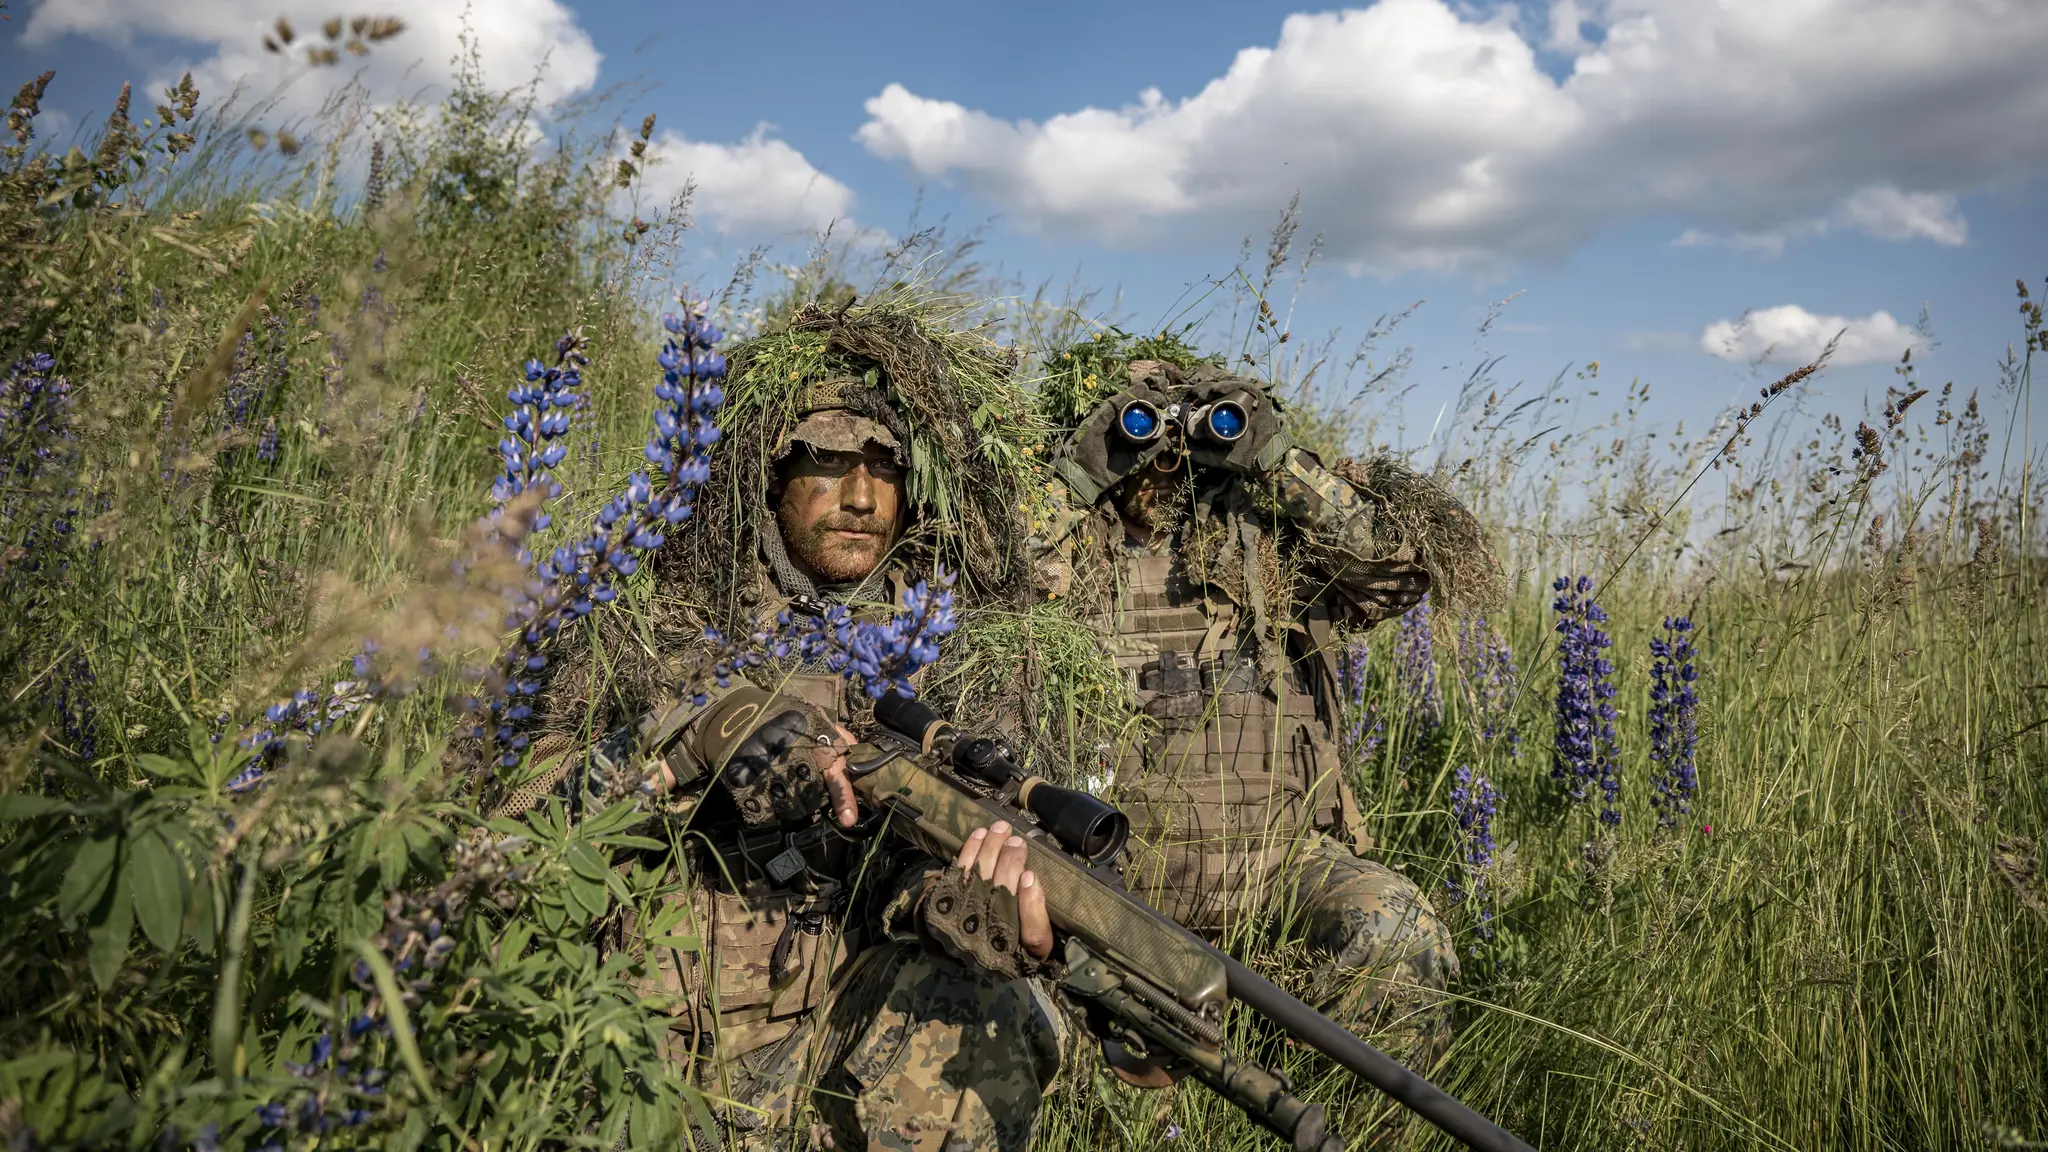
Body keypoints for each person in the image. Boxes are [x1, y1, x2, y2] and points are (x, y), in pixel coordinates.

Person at [504, 301, 1061, 1151]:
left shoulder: (944, 650)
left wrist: (950, 908)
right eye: (831, 462)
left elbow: (918, 872)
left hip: (824, 1031)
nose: (865, 497)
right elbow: (523, 824)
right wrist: (689, 742)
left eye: (886, 468)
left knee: (995, 1006)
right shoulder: (653, 614)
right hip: (635, 1034)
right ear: (771, 474)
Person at [1034, 355, 1491, 1075]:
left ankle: (1358, 1124)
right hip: (1111, 885)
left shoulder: (1274, 552)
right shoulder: (1072, 559)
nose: (1161, 461)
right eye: (1138, 436)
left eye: (1183, 444)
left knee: (1394, 926)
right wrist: (1078, 476)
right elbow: (990, 571)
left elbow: (1403, 566)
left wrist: (1275, 461)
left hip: (1277, 872)